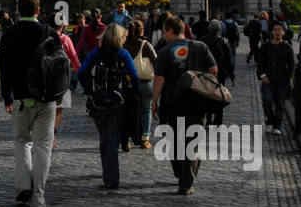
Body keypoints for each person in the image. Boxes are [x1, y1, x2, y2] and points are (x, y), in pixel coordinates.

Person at [0, 0, 72, 207]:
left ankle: (23, 185)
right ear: (38, 10)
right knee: (43, 145)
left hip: (21, 97)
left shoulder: (9, 34)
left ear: (18, 10)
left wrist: (6, 97)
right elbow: (61, 67)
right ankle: (38, 196)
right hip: (47, 97)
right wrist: (60, 93)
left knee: (22, 142)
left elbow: (3, 70)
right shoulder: (49, 33)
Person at [151, 15, 218, 196]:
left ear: (171, 31)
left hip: (172, 103)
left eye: (165, 32)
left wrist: (154, 102)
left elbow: (160, 79)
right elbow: (213, 70)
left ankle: (181, 174)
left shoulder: (164, 52)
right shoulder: (201, 47)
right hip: (197, 102)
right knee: (192, 142)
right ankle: (186, 181)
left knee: (174, 142)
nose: (164, 36)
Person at [77, 23, 140, 190]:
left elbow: (81, 72)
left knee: (104, 138)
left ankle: (107, 174)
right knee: (112, 139)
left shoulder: (95, 53)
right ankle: (111, 178)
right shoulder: (123, 54)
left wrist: (89, 91)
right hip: (117, 100)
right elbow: (134, 76)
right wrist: (133, 94)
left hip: (98, 101)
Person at [123, 18, 157, 149]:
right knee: (146, 110)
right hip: (145, 81)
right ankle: (145, 138)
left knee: (128, 111)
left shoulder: (124, 44)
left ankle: (127, 138)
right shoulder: (145, 45)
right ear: (141, 31)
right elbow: (156, 61)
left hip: (128, 82)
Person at [258, 21, 294, 135]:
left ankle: (277, 125)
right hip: (268, 79)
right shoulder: (265, 46)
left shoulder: (287, 47)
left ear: (283, 32)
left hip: (281, 80)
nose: (277, 32)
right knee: (267, 101)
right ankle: (270, 121)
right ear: (271, 32)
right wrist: (262, 76)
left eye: (279, 29)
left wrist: (286, 78)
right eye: (275, 30)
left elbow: (291, 65)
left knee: (280, 104)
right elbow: (260, 63)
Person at [202, 18, 234, 128]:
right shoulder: (224, 41)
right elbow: (229, 60)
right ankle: (218, 120)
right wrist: (231, 74)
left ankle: (208, 118)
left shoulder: (202, 40)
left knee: (206, 95)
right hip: (220, 73)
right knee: (219, 96)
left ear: (209, 29)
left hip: (205, 73)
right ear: (219, 29)